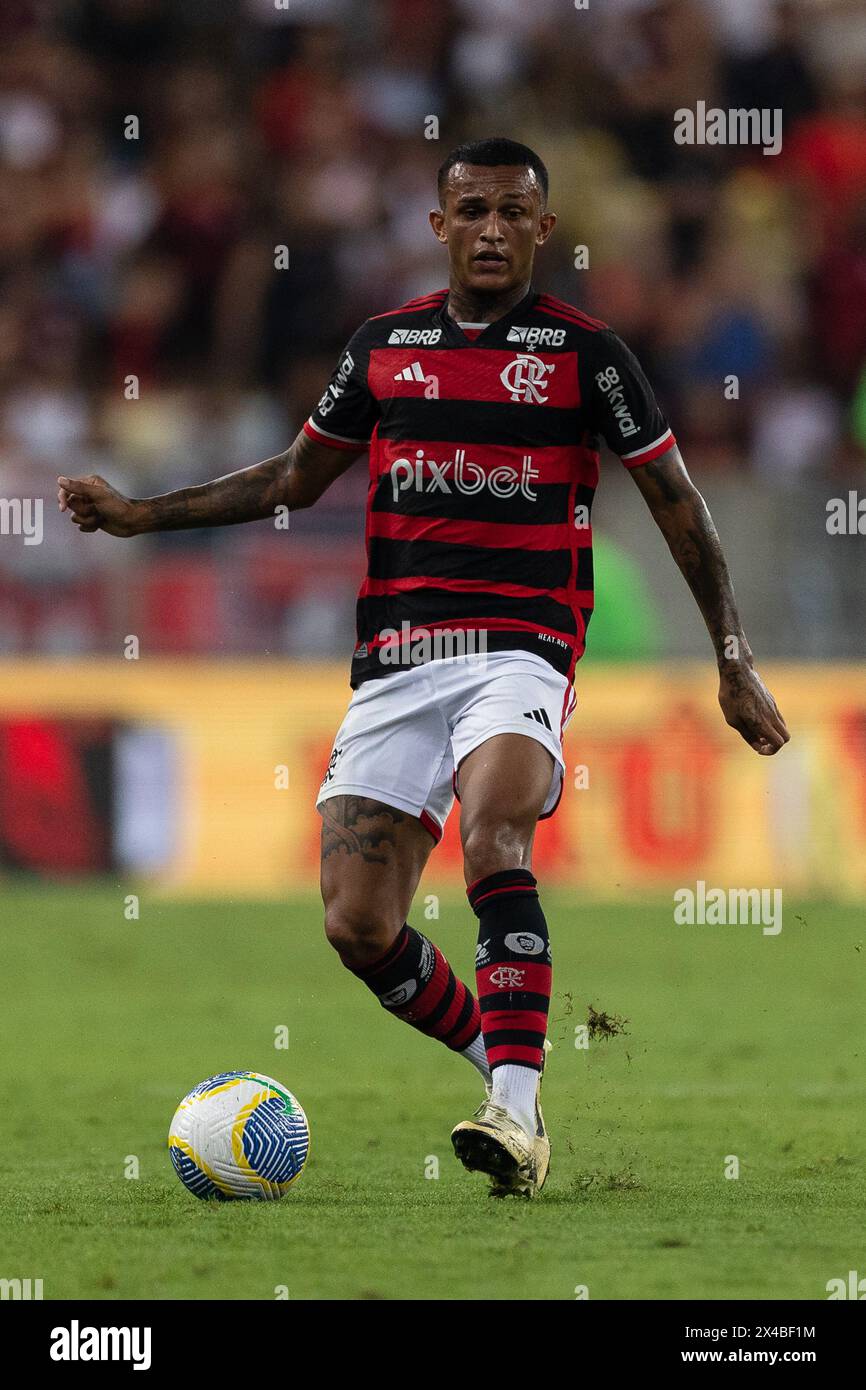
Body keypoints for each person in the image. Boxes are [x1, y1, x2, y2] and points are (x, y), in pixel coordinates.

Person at [58, 137, 790, 1198]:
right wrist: (140, 517)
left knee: (495, 833)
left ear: (544, 229)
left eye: (512, 212)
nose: (491, 229)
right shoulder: (384, 346)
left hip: (520, 648)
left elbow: (680, 506)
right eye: (472, 210)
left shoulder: (587, 357)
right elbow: (296, 479)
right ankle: (500, 1065)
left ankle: (516, 1113)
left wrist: (731, 658)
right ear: (438, 225)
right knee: (357, 924)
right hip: (398, 661)